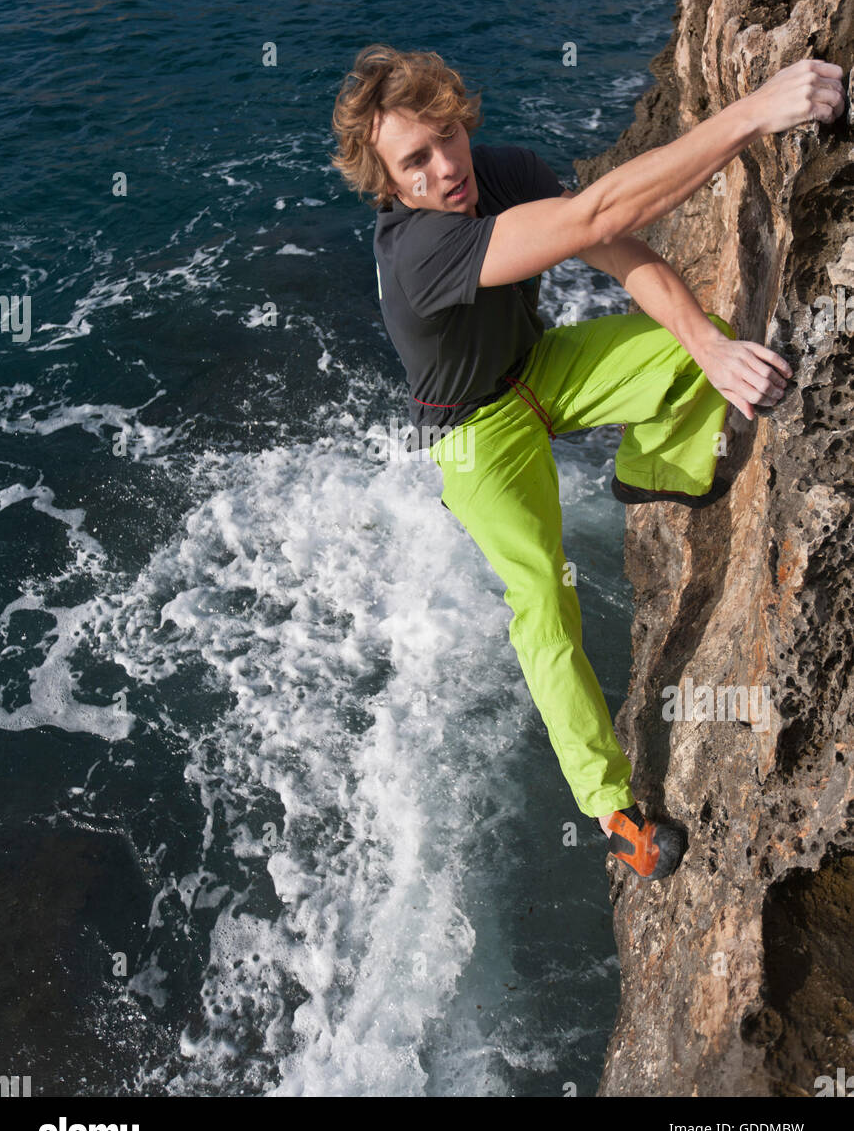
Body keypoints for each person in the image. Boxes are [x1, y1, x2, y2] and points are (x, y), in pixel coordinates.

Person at [329, 44, 845, 880]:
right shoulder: (418, 251)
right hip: (476, 435)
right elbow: (594, 216)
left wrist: (710, 345)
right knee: (543, 602)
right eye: (414, 161)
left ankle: (659, 470)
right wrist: (753, 112)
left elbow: (616, 247)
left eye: (448, 137)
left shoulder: (494, 173)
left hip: (537, 370)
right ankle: (612, 810)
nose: (443, 168)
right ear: (388, 182)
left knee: (693, 345)